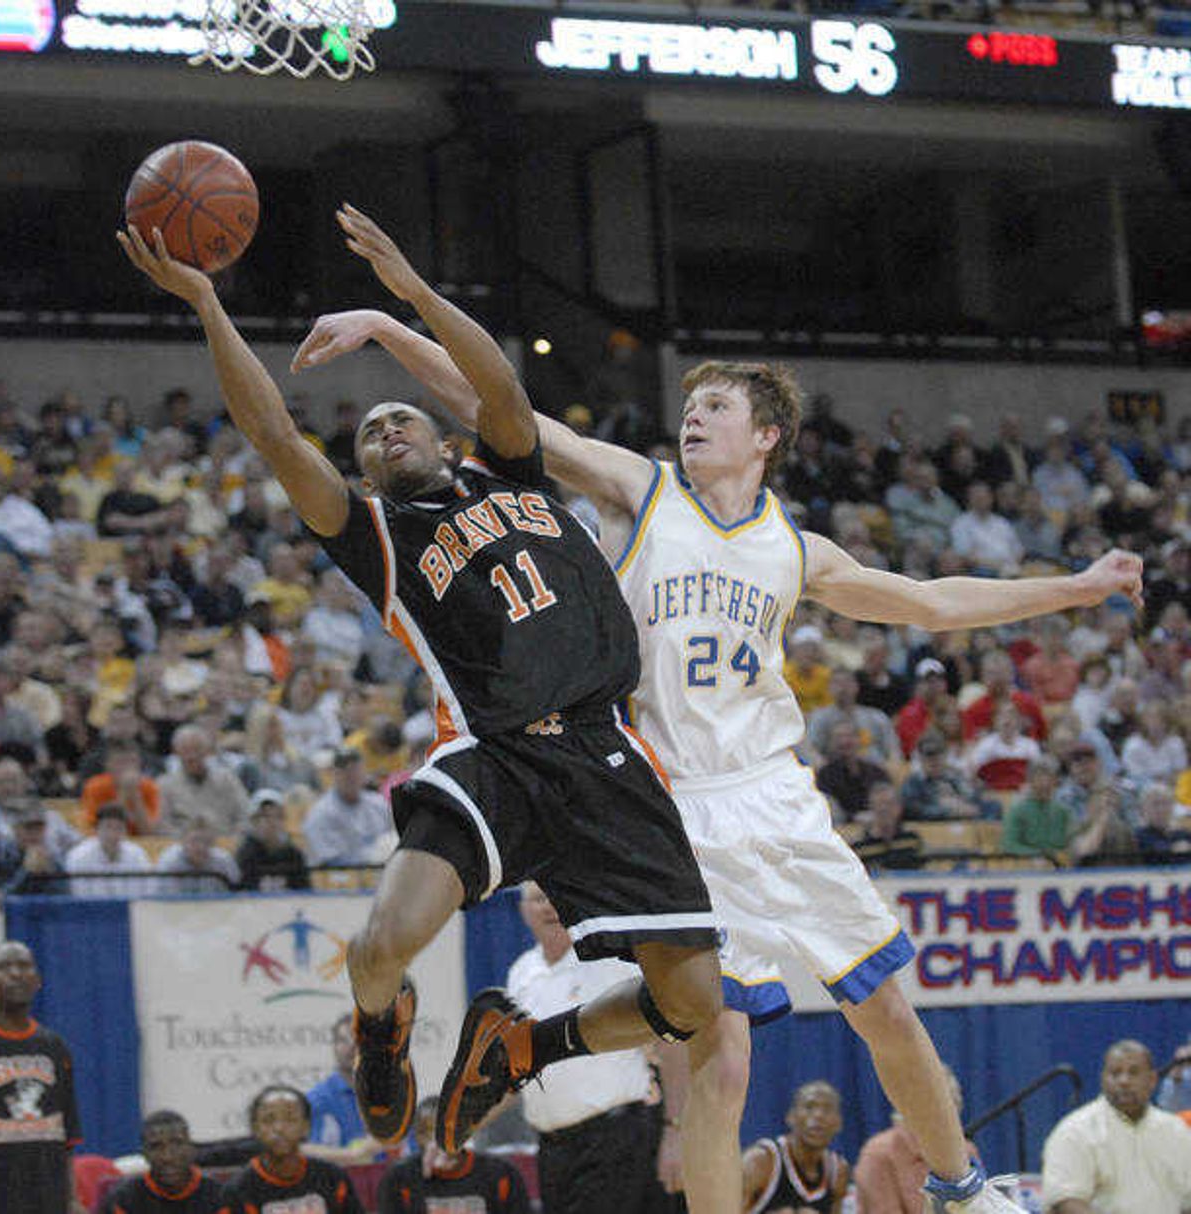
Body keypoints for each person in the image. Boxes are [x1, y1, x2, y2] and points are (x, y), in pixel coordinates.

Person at [301, 217, 1145, 1214]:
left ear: (768, 434)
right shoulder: (644, 487)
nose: (692, 417)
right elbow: (495, 398)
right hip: (660, 790)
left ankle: (962, 1185)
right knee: (720, 1058)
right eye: (691, 405)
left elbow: (929, 598)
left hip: (774, 793)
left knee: (885, 1007)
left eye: (715, 408)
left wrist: (1073, 588)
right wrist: (393, 327)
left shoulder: (798, 549)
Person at [120, 215, 721, 1162]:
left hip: (606, 749)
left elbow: (499, 384)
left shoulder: (510, 467)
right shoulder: (378, 537)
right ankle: (379, 1026)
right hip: (499, 753)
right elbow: (272, 431)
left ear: (443, 438)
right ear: (363, 470)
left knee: (692, 1005)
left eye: (399, 415)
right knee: (379, 947)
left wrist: (409, 294)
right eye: (366, 432)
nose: (385, 426)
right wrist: (206, 302)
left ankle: (523, 1045)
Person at [506, 881, 678, 1214]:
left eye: (554, 896)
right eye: (537, 899)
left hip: (614, 1136)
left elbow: (670, 1041)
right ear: (523, 910)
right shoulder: (521, 973)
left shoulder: (609, 958)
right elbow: (516, 1067)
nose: (547, 906)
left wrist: (675, 1129)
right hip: (552, 1145)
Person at [1041, 1039, 1191, 1214]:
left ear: (1152, 1080)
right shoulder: (1074, 1131)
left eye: (1133, 1073)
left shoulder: (1176, 1131)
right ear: (1103, 1079)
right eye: (1115, 1073)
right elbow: (1065, 1201)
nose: (1124, 1081)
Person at [0, 940, 84, 1214]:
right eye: (4, 967)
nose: (16, 973)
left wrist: (72, 1200)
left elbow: (67, 1137)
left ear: (38, 980)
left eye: (24, 966)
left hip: (48, 1198)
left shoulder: (55, 1047)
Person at [221, 1086, 364, 1214]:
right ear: (255, 1129)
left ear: (306, 1127)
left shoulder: (332, 1177)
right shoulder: (239, 1190)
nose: (279, 1128)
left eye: (290, 1119)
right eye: (268, 1120)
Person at [378, 1096, 529, 1214]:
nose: (436, 1141)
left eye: (443, 1132)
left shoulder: (501, 1174)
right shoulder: (398, 1180)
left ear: (461, 1131)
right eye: (426, 1133)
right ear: (416, 1137)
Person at [854, 1068, 975, 1214]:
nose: (950, 1116)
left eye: (954, 1103)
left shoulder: (966, 1151)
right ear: (910, 1105)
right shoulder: (878, 1153)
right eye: (940, 1105)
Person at [741, 1082, 849, 1214]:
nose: (818, 1116)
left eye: (827, 1109)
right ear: (790, 1117)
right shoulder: (760, 1160)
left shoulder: (838, 1171)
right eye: (809, 1107)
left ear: (839, 1124)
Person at [102, 1109, 227, 1213]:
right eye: (155, 1147)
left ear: (191, 1148)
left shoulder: (220, 1196)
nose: (167, 1157)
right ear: (144, 1154)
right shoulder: (123, 1199)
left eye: (177, 1144)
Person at [305, 1014, 383, 1168]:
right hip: (336, 1184)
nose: (351, 1046)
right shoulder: (317, 1099)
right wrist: (355, 1154)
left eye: (358, 1039)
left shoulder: (390, 1095)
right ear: (334, 1047)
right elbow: (306, 1153)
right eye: (343, 1040)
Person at [302, 748, 394, 867]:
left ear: (364, 773)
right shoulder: (320, 813)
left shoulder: (379, 804)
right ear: (334, 775)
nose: (351, 776)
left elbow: (393, 839)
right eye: (345, 771)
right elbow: (330, 861)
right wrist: (373, 857)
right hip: (340, 880)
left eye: (355, 770)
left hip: (380, 873)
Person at [158, 725, 249, 837]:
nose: (192, 756)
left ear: (207, 751)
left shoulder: (227, 779)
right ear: (176, 753)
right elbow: (162, 824)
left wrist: (234, 839)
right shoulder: (165, 785)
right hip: (183, 847)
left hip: (226, 843)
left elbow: (245, 814)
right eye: (186, 750)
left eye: (196, 749)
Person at [65, 804, 154, 898]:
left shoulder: (138, 856)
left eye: (119, 828)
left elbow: (146, 894)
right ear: (96, 829)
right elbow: (79, 897)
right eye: (107, 827)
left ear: (126, 832)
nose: (112, 834)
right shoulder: (78, 857)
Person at [235, 790, 311, 892]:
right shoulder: (245, 855)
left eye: (277, 816)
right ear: (253, 821)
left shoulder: (293, 855)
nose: (272, 822)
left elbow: (305, 894)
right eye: (265, 816)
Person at [154, 816, 241, 893]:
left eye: (206, 842)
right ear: (183, 842)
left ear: (213, 844)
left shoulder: (224, 863)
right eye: (195, 841)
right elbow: (162, 899)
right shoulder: (170, 862)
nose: (201, 847)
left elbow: (237, 894)